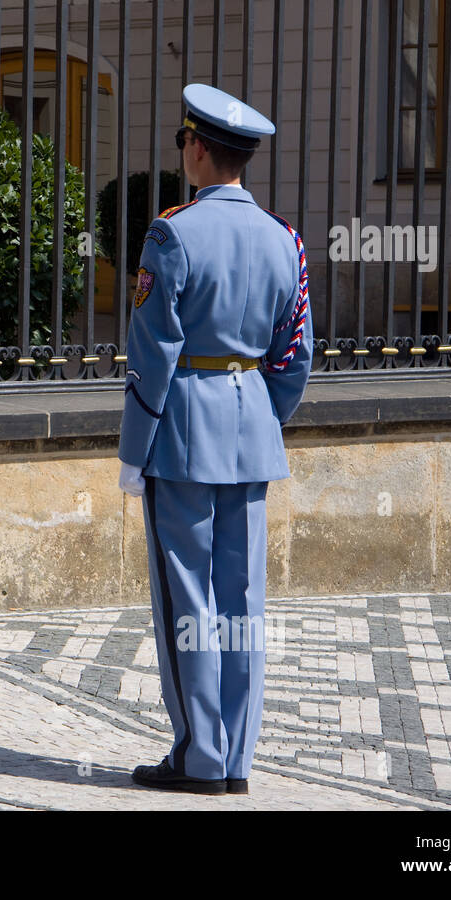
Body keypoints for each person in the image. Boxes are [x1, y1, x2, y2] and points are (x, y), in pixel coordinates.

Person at [117, 84, 313, 794]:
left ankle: (199, 755)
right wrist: (261, 415)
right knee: (242, 602)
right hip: (252, 428)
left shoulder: (172, 233)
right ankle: (235, 762)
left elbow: (153, 353)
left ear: (197, 148)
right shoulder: (282, 238)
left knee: (188, 604)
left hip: (184, 433)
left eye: (183, 142)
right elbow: (294, 357)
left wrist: (135, 450)